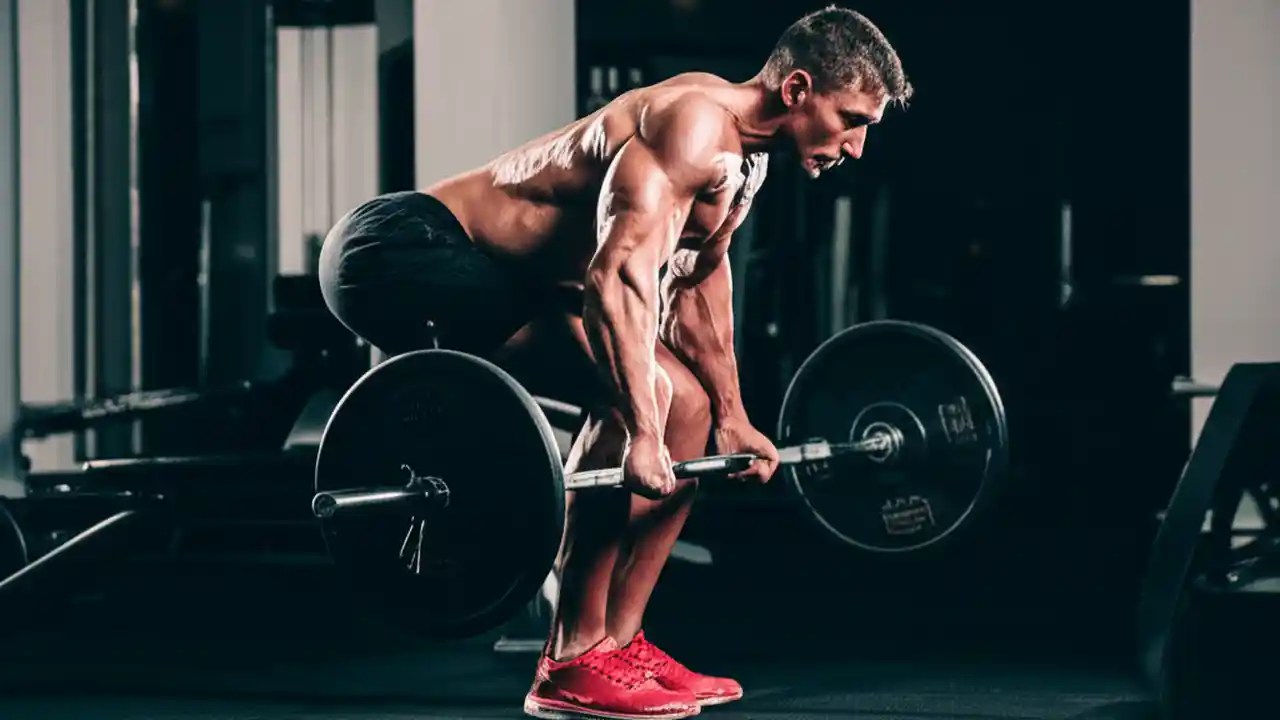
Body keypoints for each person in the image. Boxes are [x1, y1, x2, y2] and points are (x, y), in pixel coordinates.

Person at [317, 5, 911, 719]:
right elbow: (618, 276)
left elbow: (693, 286)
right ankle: (569, 660)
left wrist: (733, 416)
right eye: (853, 120)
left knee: (685, 404)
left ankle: (616, 644)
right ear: (797, 90)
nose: (856, 147)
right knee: (648, 396)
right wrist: (640, 429)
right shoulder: (694, 124)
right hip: (402, 250)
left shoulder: (745, 163)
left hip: (492, 274)